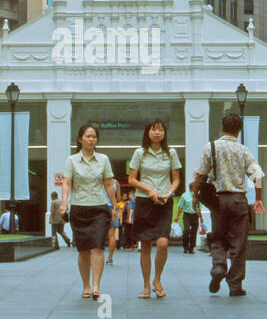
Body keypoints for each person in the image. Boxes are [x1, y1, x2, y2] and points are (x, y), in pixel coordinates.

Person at [192, 113, 265, 297]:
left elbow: (199, 174)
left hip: (218, 200)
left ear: (222, 127)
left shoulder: (211, 147)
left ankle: (218, 267)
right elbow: (257, 175)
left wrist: (194, 196)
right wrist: (258, 198)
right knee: (239, 244)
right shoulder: (243, 150)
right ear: (239, 131)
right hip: (239, 200)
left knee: (218, 236)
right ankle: (235, 285)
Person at [60, 123, 115, 300]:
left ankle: (96, 285)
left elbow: (108, 184)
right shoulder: (72, 160)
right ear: (80, 139)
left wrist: (114, 206)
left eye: (94, 137)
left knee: (97, 246)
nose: (91, 139)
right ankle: (85, 285)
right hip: (79, 209)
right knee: (83, 249)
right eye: (88, 136)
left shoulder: (103, 159)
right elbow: (67, 182)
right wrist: (64, 203)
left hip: (99, 208)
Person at [128, 119, 182, 300]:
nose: (157, 133)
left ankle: (157, 279)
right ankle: (145, 287)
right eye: (153, 129)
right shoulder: (139, 153)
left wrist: (170, 192)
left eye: (160, 130)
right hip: (144, 202)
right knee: (145, 246)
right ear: (147, 132)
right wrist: (149, 190)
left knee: (163, 243)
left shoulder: (171, 153)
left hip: (164, 202)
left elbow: (176, 179)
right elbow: (132, 179)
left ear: (165, 133)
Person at [178, 186, 199, 254]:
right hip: (187, 215)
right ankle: (185, 247)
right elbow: (180, 206)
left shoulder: (198, 195)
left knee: (194, 231)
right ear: (192, 188)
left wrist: (201, 216)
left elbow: (199, 206)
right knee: (186, 230)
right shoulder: (184, 195)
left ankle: (191, 248)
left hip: (195, 215)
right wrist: (177, 216)